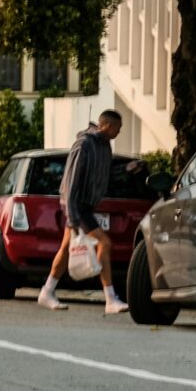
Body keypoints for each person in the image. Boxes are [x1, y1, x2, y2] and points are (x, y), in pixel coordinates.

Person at [40, 109, 128, 314]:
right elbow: (71, 181)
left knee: (65, 248)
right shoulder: (84, 145)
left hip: (86, 205)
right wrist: (73, 216)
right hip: (77, 205)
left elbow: (106, 174)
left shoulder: (105, 147)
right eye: (118, 128)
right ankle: (110, 298)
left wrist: (127, 169)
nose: (119, 132)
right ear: (108, 126)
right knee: (105, 243)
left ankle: (47, 291)